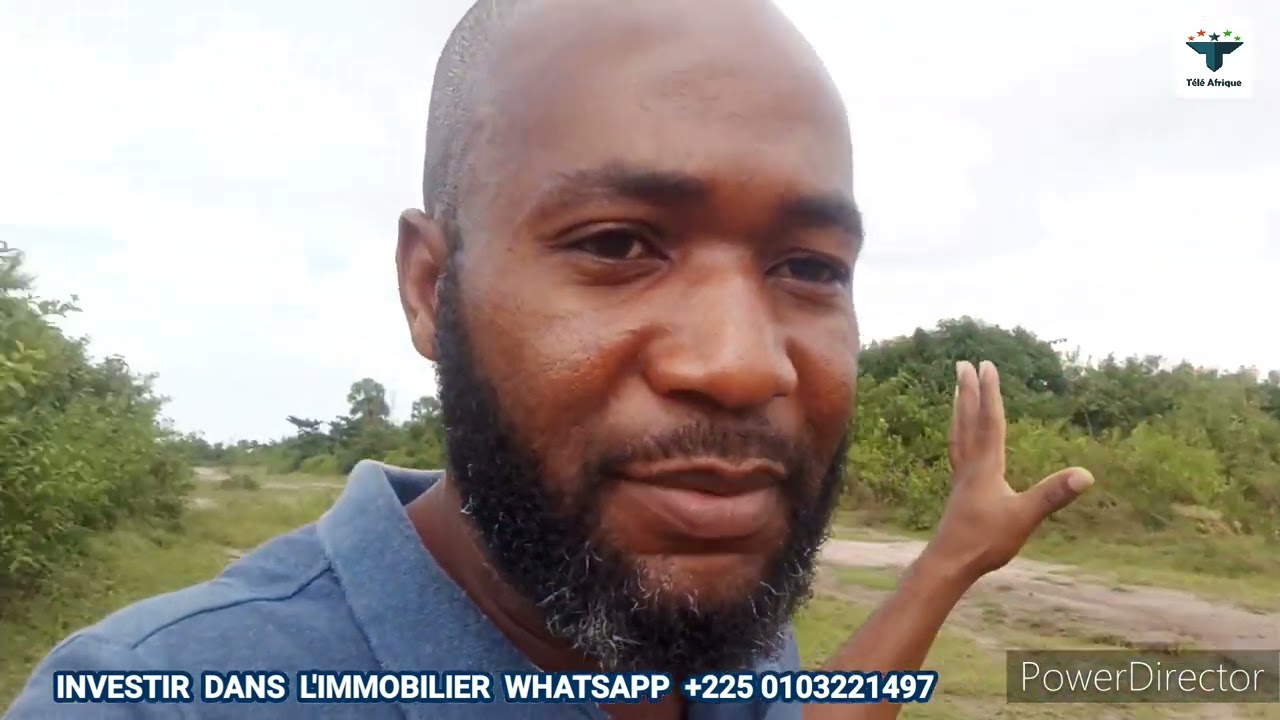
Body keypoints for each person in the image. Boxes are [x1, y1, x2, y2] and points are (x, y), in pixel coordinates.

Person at [4, 0, 1095, 718]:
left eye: (808, 266)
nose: (740, 366)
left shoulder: (705, 617)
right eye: (617, 245)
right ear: (431, 287)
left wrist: (949, 561)